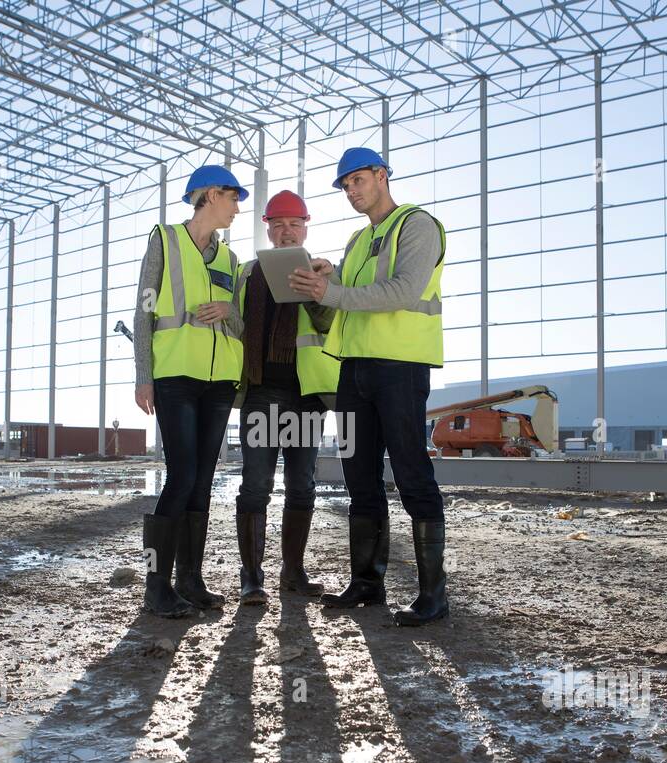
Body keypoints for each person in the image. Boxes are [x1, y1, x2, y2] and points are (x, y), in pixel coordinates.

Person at [287, 147, 449, 626]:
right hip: (354, 369)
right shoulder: (359, 239)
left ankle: (433, 594)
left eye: (358, 180)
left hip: (400, 367)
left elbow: (403, 290)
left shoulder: (417, 225)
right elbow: (348, 296)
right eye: (345, 185)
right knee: (359, 475)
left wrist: (332, 291)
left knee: (412, 473)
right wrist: (330, 276)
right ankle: (366, 582)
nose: (352, 191)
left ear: (382, 175)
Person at [133, 164, 246, 618]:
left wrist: (229, 311)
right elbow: (143, 311)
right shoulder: (164, 240)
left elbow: (241, 325)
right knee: (181, 477)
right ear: (211, 195)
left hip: (219, 383)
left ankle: (190, 580)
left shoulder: (230, 260)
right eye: (233, 198)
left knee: (202, 481)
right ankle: (155, 584)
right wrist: (144, 375)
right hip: (176, 376)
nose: (237, 208)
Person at [233, 190, 340, 604]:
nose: (286, 231)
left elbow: (329, 322)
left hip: (307, 393)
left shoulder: (322, 271)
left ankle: (293, 572)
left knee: (301, 485)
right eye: (278, 225)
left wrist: (321, 287)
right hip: (263, 391)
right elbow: (236, 323)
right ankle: (252, 576)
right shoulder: (247, 273)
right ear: (268, 230)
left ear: (306, 228)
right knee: (256, 484)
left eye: (294, 224)